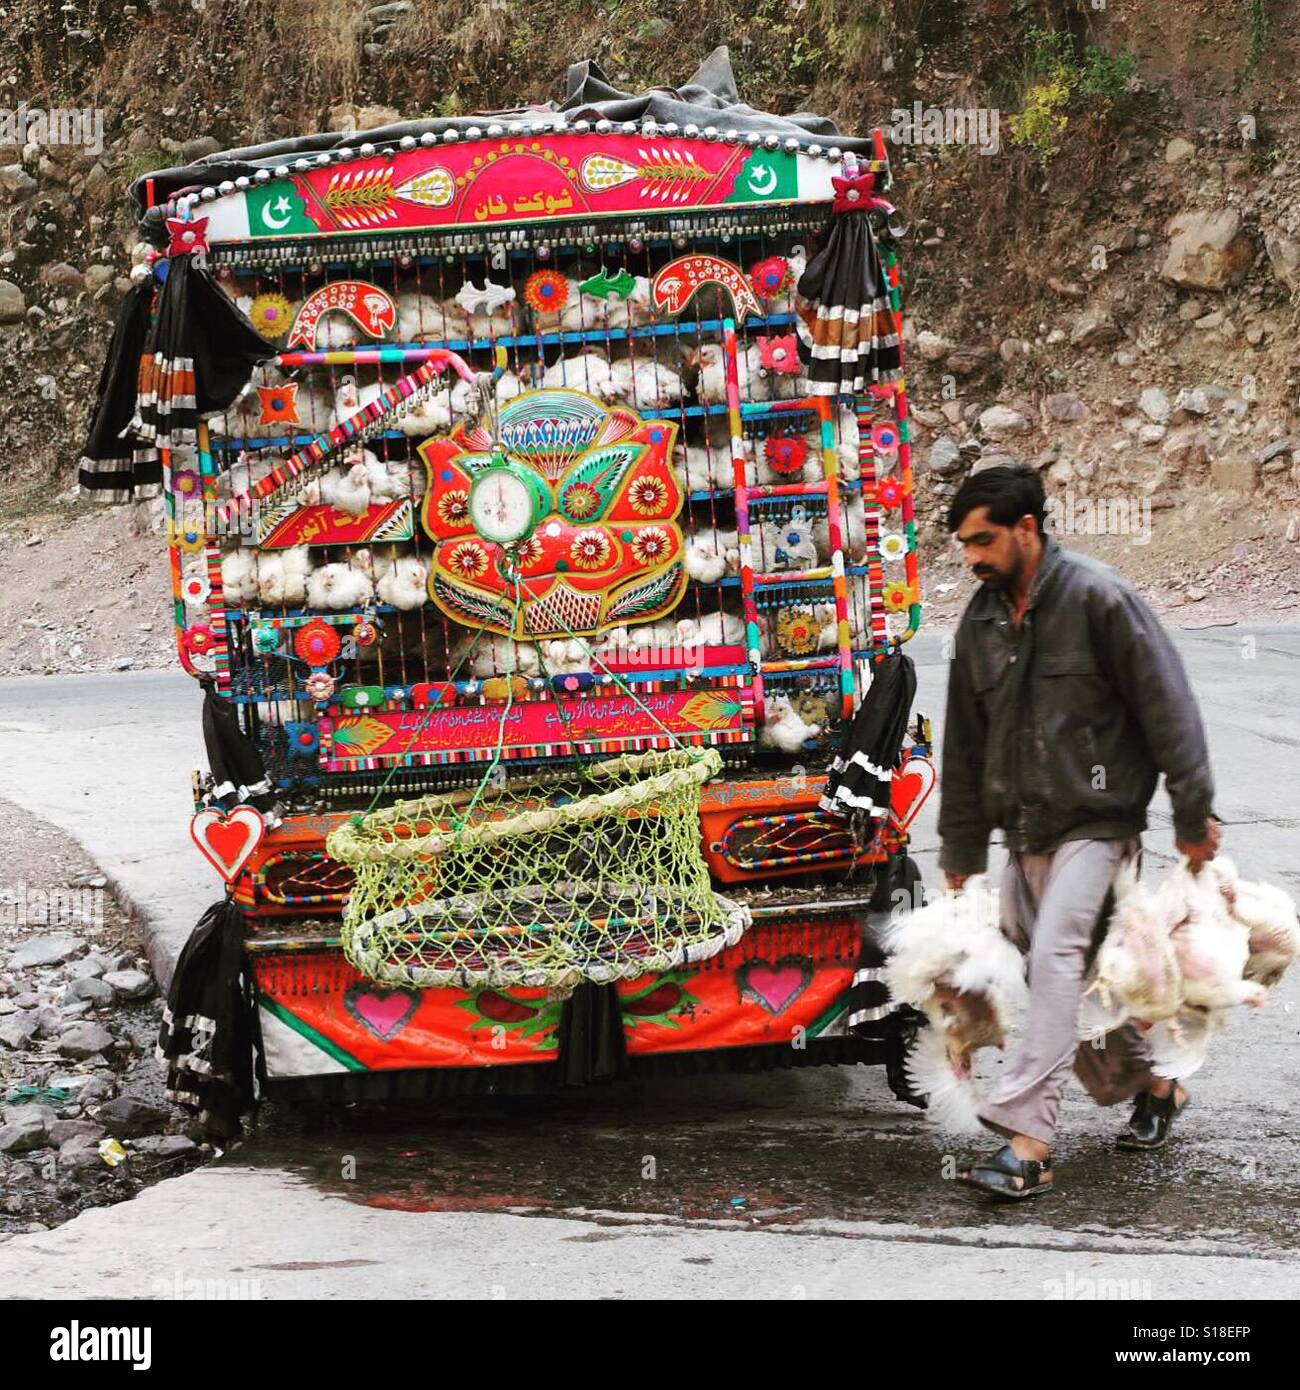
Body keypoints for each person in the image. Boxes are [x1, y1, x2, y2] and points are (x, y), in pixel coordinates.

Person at [937, 465, 1219, 1200]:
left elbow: (1169, 707)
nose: (972, 557)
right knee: (1073, 975)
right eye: (965, 545)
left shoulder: (1100, 598)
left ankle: (1029, 1143)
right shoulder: (982, 620)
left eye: (984, 540)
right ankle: (1154, 1084)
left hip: (1099, 822)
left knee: (1057, 960)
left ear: (1027, 528)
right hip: (1024, 832)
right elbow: (964, 743)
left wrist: (1194, 814)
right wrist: (962, 850)